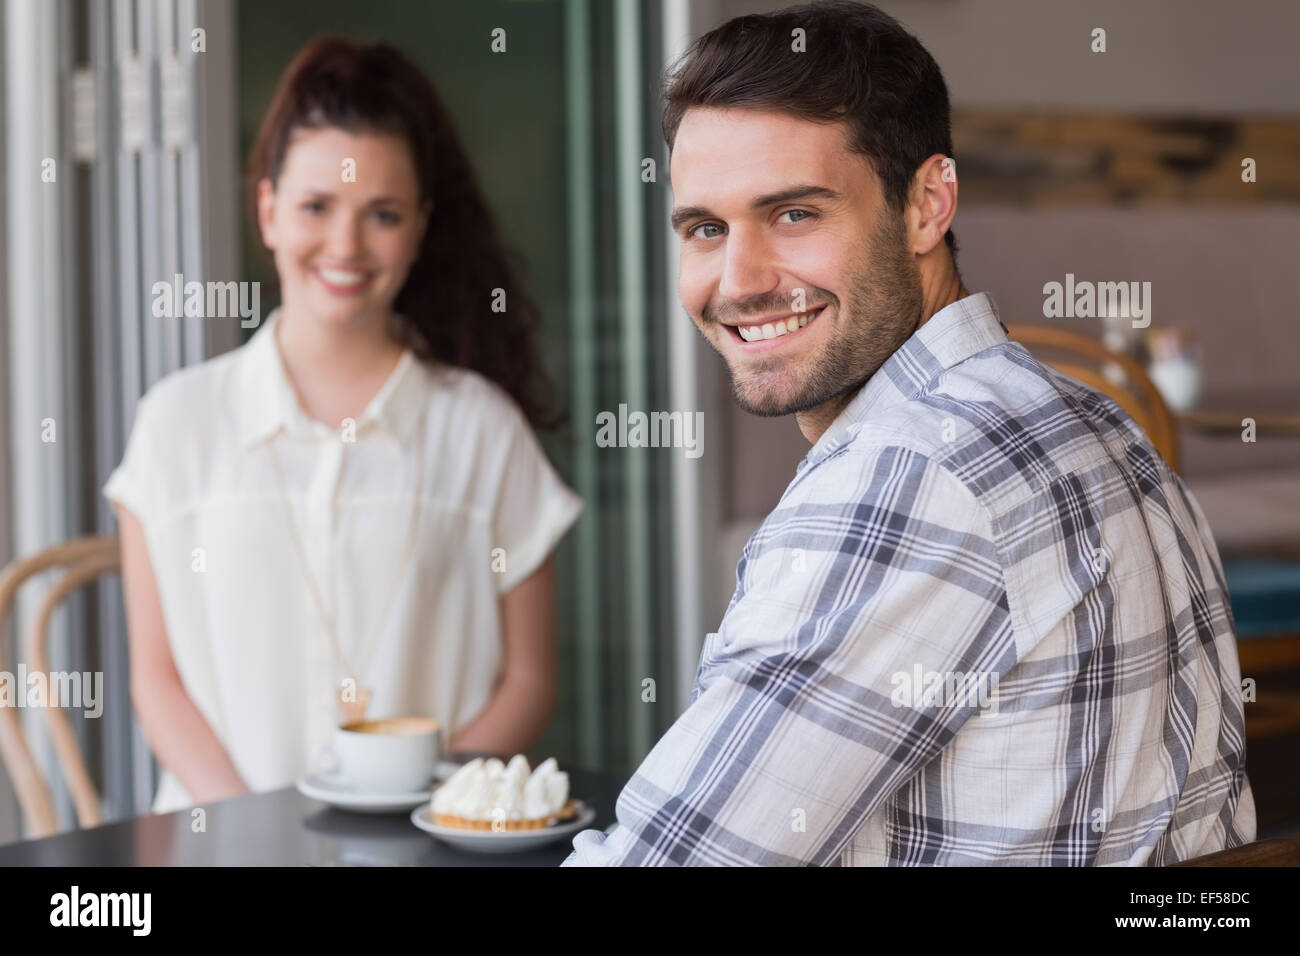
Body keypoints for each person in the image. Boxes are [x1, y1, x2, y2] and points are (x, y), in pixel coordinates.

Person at [564, 0, 1254, 865]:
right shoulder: (1104, 421)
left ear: (929, 204)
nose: (736, 281)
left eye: (794, 214)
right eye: (706, 228)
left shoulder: (908, 475)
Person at [104, 37, 581, 812]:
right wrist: (256, 835)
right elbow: (156, 681)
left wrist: (425, 807)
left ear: (420, 228)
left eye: (382, 214)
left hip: (427, 850)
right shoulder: (175, 425)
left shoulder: (483, 430)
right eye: (316, 207)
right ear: (267, 211)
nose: (346, 246)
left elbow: (527, 681)